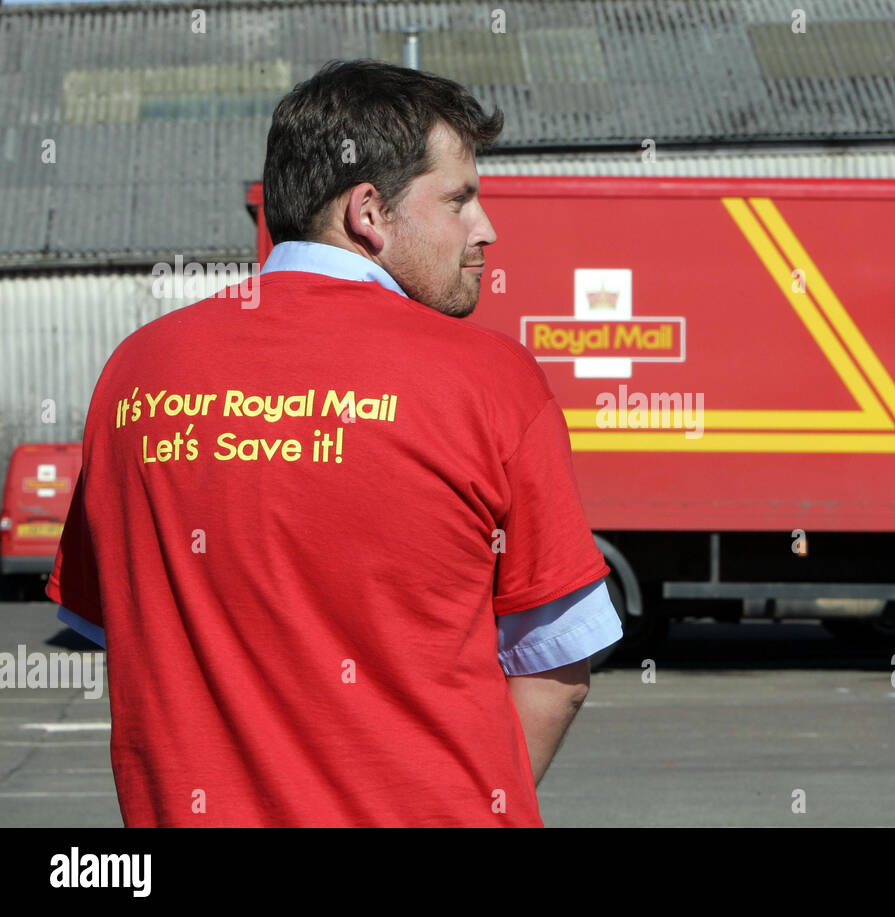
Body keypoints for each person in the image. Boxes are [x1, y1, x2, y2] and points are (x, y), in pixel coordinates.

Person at [46, 59, 622, 827]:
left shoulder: (133, 373)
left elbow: (111, 623)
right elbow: (558, 668)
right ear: (369, 213)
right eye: (460, 198)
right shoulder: (491, 380)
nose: (485, 228)